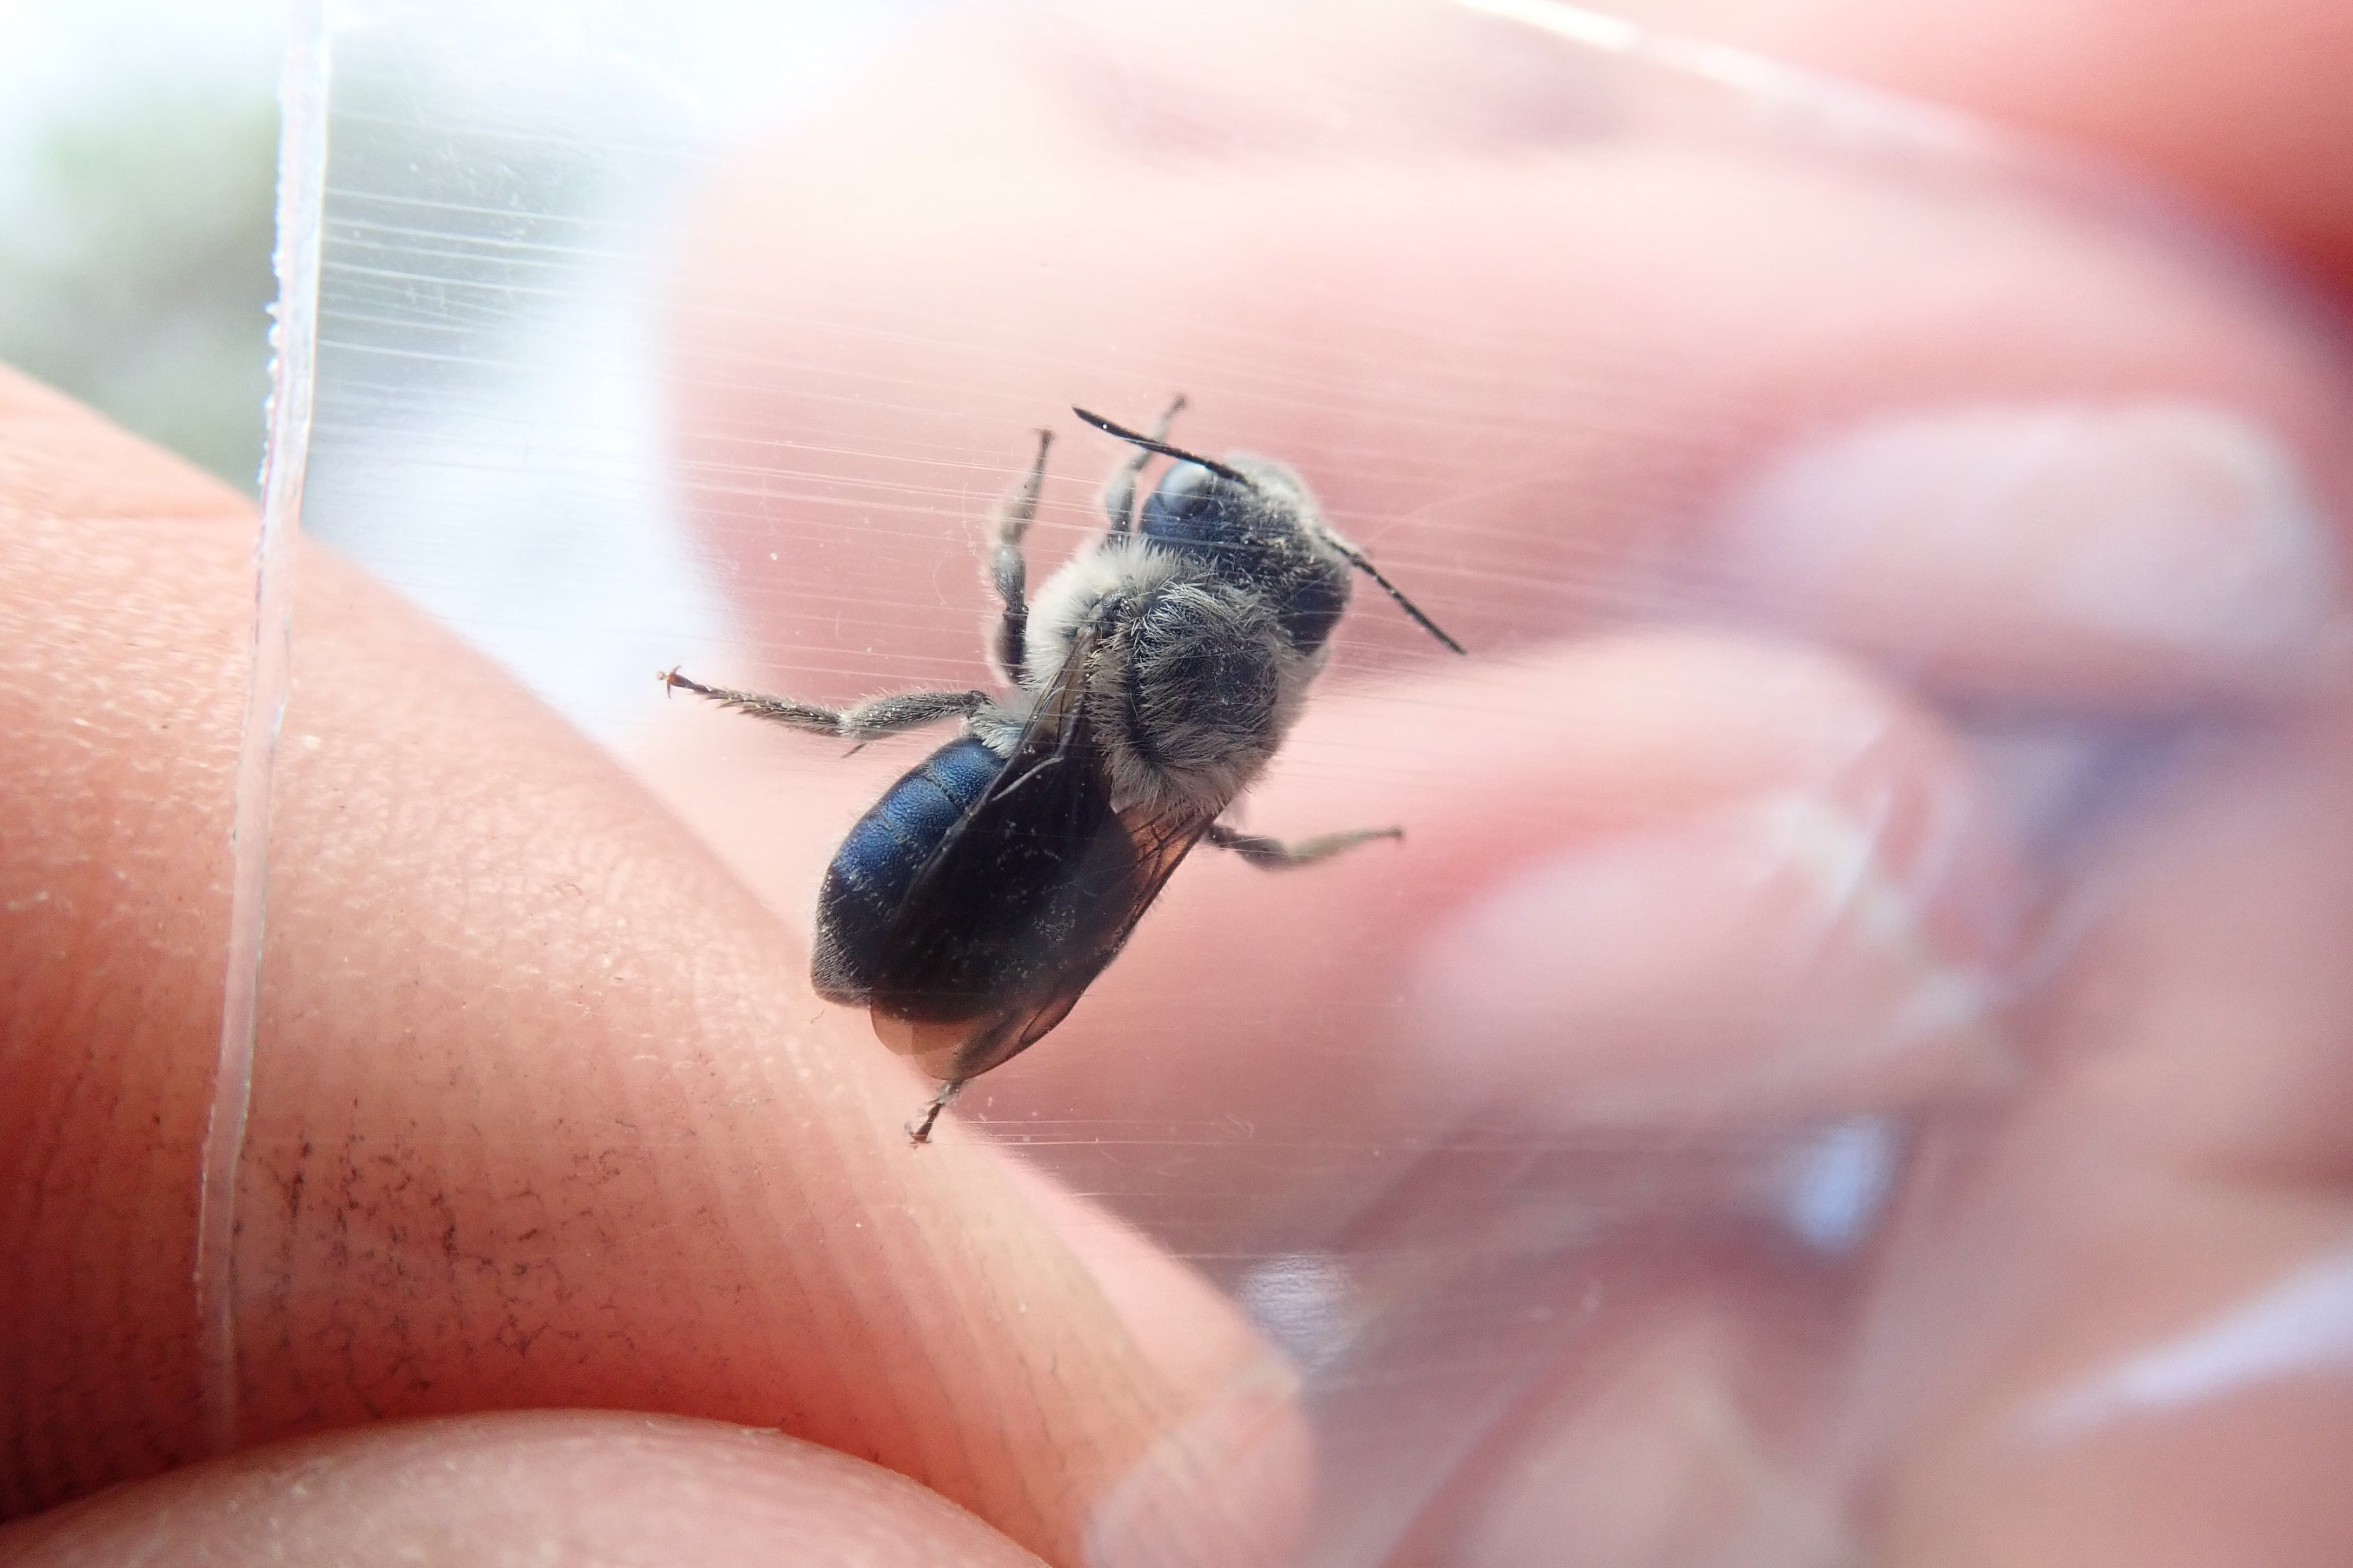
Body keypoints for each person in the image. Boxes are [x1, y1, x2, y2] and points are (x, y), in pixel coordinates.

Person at [4, 2, 2349, 1562]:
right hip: (989, 902)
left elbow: (1010, 620)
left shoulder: (1136, 629)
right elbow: (1099, 730)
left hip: (948, 880)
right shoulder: (1212, 705)